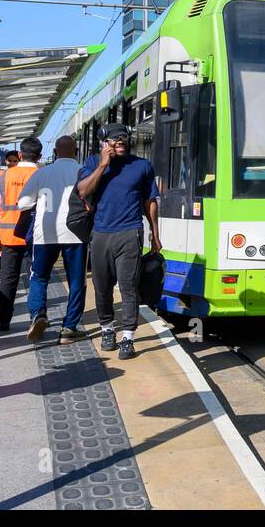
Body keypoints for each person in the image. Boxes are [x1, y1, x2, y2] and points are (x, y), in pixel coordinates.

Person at [77, 123, 160, 359]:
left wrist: (155, 233)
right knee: (102, 287)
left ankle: (128, 338)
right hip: (101, 233)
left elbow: (150, 202)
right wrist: (104, 164)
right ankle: (107, 329)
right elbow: (83, 191)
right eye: (114, 140)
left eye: (123, 139)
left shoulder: (142, 166)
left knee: (128, 286)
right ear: (104, 142)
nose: (120, 143)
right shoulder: (93, 163)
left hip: (130, 232)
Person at [18, 135, 88, 343]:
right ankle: (69, 328)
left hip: (44, 234)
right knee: (77, 281)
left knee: (39, 277)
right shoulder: (83, 172)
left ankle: (38, 314)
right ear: (76, 152)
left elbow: (22, 203)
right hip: (76, 233)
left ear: (55, 153)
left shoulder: (42, 173)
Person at [0, 137, 41, 331]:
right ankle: (37, 316)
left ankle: (3, 320)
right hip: (35, 235)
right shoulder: (42, 174)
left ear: (20, 155)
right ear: (39, 156)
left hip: (9, 235)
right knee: (36, 276)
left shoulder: (2, 177)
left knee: (8, 278)